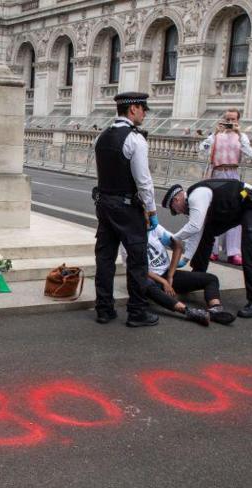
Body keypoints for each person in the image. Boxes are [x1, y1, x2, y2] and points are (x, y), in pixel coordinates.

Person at [92, 91, 159, 328]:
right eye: (143, 109)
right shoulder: (135, 139)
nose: (144, 114)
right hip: (127, 207)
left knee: (105, 258)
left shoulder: (101, 137)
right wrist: (151, 211)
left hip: (104, 203)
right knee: (137, 260)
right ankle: (137, 311)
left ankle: (104, 309)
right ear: (133, 109)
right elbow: (144, 182)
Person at [163, 178, 252, 319]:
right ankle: (198, 276)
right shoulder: (194, 205)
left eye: (174, 210)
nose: (177, 213)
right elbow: (198, 232)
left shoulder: (196, 195)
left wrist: (172, 239)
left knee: (251, 248)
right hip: (235, 208)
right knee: (206, 234)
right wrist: (186, 258)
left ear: (176, 199)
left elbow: (194, 226)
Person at [121, 226, 237, 326]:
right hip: (149, 278)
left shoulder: (155, 229)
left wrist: (170, 276)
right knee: (146, 285)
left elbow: (178, 246)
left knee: (211, 279)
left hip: (167, 274)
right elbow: (137, 268)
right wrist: (163, 282)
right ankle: (190, 312)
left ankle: (215, 310)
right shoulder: (128, 238)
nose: (148, 219)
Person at [199, 108, 252, 266]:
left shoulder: (242, 137)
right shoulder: (215, 135)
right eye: (227, 119)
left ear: (238, 121)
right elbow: (201, 152)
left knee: (235, 212)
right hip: (216, 173)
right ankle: (212, 249)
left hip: (233, 173)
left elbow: (249, 156)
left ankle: (233, 251)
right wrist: (214, 135)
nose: (230, 122)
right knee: (214, 211)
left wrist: (239, 135)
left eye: (233, 120)